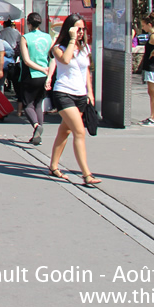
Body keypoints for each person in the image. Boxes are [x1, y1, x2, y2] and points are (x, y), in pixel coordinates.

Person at [46, 14, 101, 187]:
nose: (80, 33)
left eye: (83, 29)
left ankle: (53, 166)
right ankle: (86, 174)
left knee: (65, 130)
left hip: (80, 95)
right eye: (77, 29)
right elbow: (65, 59)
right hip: (63, 93)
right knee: (79, 131)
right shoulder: (59, 48)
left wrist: (90, 93)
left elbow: (86, 72)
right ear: (69, 29)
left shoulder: (84, 48)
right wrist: (71, 40)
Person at [17, 12, 52, 145]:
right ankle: (37, 135)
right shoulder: (48, 37)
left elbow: (26, 60)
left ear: (29, 24)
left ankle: (37, 126)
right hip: (44, 75)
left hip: (31, 74)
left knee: (27, 104)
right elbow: (51, 57)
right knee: (38, 103)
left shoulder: (25, 38)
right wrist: (46, 70)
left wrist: (39, 68)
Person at [0, 18, 22, 95]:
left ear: (4, 25)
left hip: (6, 52)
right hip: (15, 51)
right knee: (13, 70)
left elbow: (0, 41)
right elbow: (19, 40)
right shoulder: (16, 32)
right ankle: (14, 89)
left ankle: (7, 85)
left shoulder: (3, 32)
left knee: (5, 68)